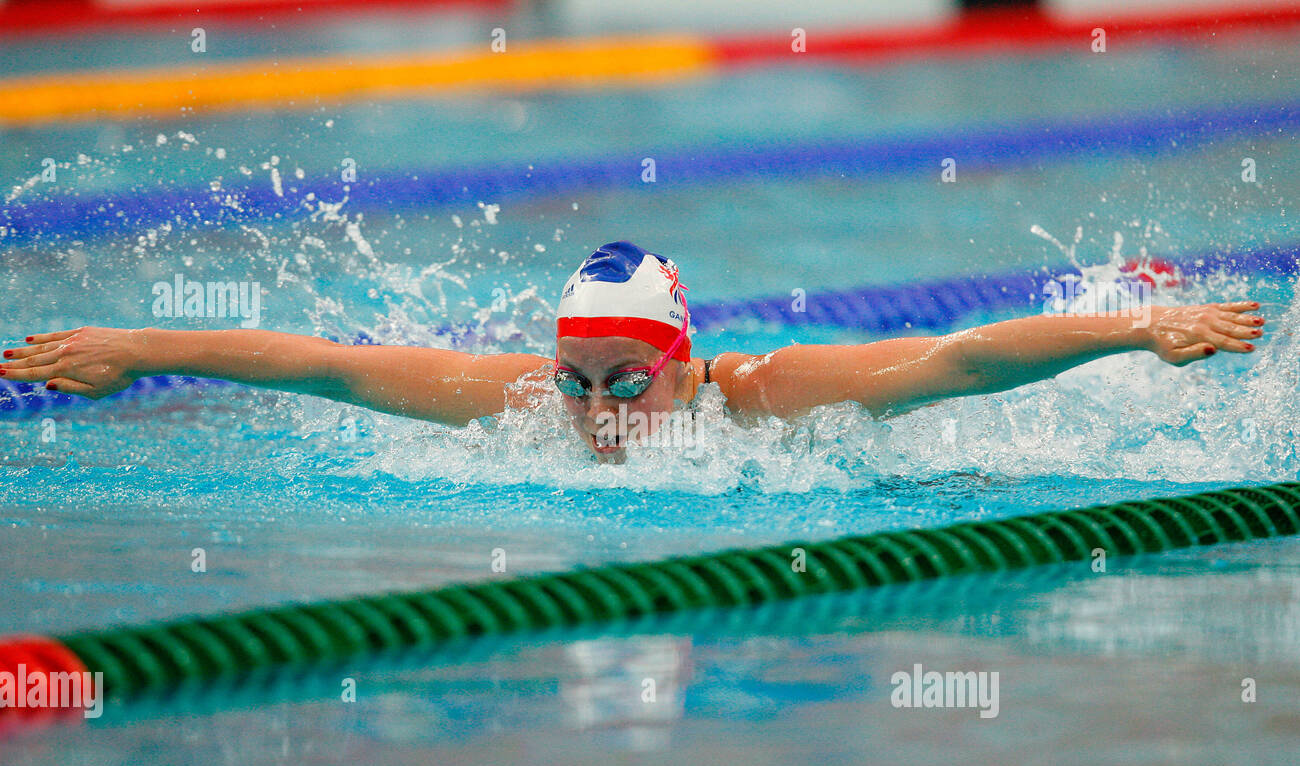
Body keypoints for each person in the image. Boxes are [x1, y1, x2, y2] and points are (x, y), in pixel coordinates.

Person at [0, 240, 1266, 463]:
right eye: (575, 380)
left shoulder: (761, 400)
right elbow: (323, 361)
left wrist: (1134, 328)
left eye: (626, 381)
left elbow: (964, 357)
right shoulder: (521, 407)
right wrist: (131, 347)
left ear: (682, 360)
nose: (599, 413)